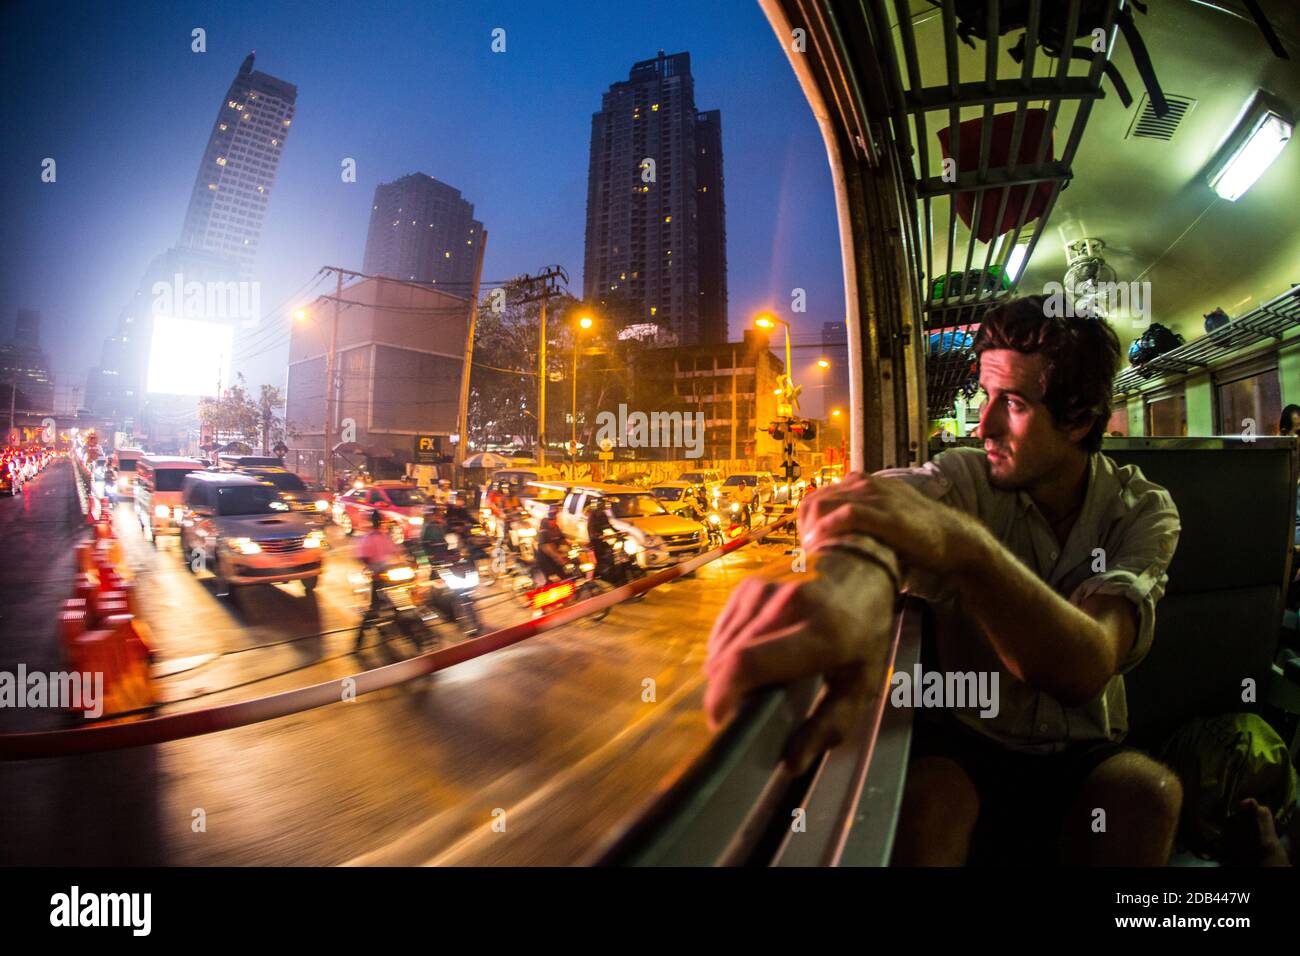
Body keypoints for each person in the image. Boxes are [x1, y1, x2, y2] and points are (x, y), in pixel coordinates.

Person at [704, 295, 1184, 866]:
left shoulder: (1141, 510)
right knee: (929, 807)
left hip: (1084, 749)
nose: (985, 424)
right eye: (986, 396)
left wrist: (965, 550)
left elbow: (1084, 668)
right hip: (968, 742)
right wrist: (849, 596)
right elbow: (869, 508)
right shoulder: (966, 479)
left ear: (1079, 421)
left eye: (1014, 403)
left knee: (1150, 795)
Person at [355, 509, 400, 652]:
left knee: (391, 604)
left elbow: (396, 552)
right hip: (377, 576)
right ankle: (359, 641)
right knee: (375, 609)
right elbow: (363, 557)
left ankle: (387, 633)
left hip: (386, 575)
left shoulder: (381, 537)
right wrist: (371, 568)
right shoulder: (370, 538)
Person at [534, 501, 570, 583]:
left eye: (555, 518)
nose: (554, 521)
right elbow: (549, 549)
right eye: (552, 519)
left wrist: (572, 548)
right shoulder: (543, 531)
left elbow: (563, 540)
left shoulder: (556, 527)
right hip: (546, 560)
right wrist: (560, 559)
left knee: (566, 576)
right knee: (553, 580)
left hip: (556, 558)